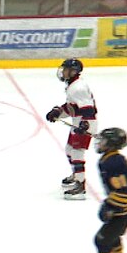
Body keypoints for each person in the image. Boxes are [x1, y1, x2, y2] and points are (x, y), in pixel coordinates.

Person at [45, 58, 97, 200]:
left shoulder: (78, 87)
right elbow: (73, 108)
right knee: (69, 150)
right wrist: (58, 112)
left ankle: (80, 186)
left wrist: (85, 125)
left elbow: (88, 109)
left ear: (74, 72)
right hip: (79, 122)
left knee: (76, 153)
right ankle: (76, 175)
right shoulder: (73, 85)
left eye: (66, 69)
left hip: (85, 123)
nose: (63, 72)